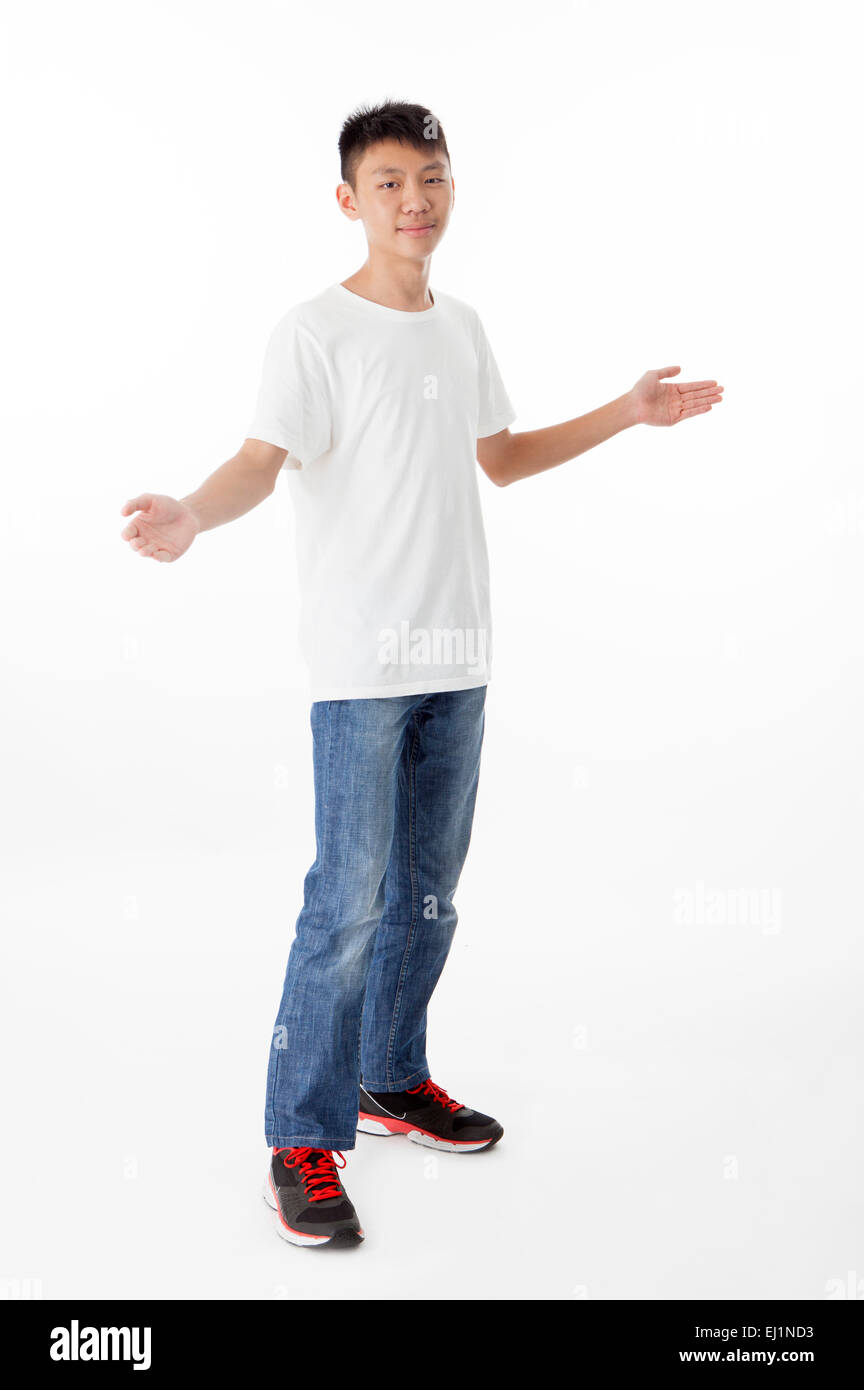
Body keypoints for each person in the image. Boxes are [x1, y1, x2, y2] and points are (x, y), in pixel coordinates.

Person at [119, 100, 724, 1249]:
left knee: (428, 896)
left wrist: (629, 413)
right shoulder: (313, 331)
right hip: (363, 666)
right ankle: (301, 1134)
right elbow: (261, 462)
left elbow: (501, 457)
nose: (416, 200)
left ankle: (392, 1077)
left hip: (461, 656)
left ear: (453, 189)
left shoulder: (462, 328)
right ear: (350, 201)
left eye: (432, 177)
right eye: (390, 181)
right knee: (342, 903)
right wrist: (194, 514)